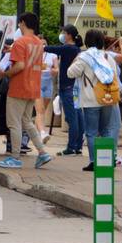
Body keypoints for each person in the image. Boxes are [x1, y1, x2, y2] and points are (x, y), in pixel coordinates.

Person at [67, 29, 122, 173]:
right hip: (108, 98)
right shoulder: (107, 56)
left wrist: (75, 61)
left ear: (87, 41)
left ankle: (94, 162)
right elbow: (116, 75)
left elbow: (70, 73)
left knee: (92, 132)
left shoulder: (84, 57)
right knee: (106, 130)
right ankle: (106, 161)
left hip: (90, 100)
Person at [0, 12, 50, 169]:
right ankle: (42, 152)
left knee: (14, 124)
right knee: (27, 122)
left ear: (23, 23)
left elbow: (19, 65)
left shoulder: (20, 42)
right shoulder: (38, 43)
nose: (19, 26)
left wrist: (5, 74)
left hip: (19, 87)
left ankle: (14, 157)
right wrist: (11, 50)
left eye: (20, 23)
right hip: (33, 87)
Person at [44, 24, 83, 157]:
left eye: (63, 32)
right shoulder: (76, 49)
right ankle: (77, 147)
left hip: (67, 89)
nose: (62, 35)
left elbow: (51, 48)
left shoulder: (68, 48)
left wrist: (39, 46)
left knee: (72, 119)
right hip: (75, 89)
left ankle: (71, 148)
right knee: (78, 117)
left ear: (69, 35)